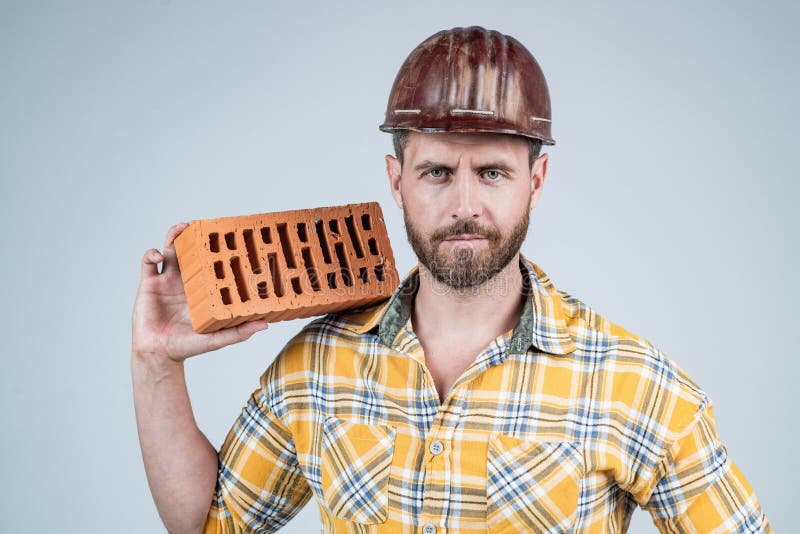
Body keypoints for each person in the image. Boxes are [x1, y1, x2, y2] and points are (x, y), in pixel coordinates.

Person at [132, 26, 772, 533]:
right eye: (437, 172)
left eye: (492, 172)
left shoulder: (639, 388)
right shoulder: (316, 366)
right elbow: (207, 526)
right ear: (395, 181)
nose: (464, 203)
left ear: (536, 183)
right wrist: (156, 362)